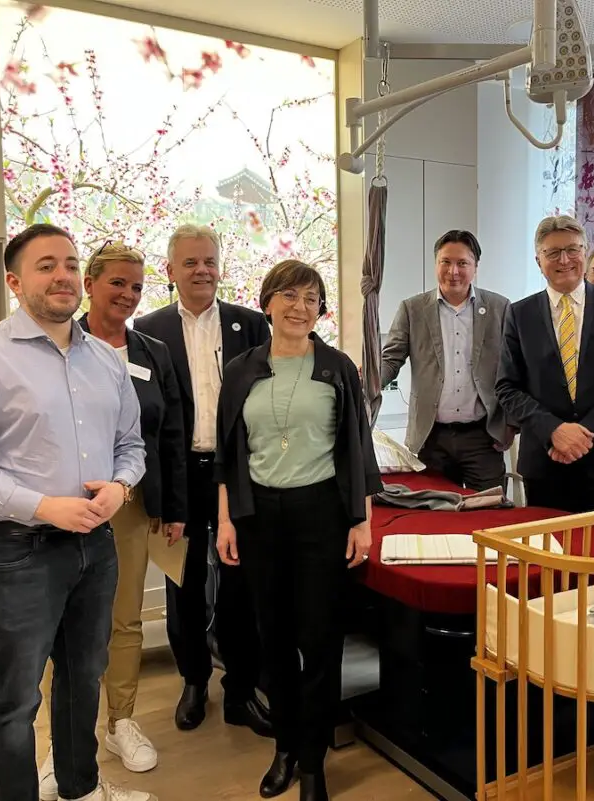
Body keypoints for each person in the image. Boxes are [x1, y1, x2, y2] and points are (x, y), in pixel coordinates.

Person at [0, 223, 152, 801]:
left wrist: (120, 488)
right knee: (15, 701)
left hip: (93, 548)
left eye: (72, 265)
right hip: (10, 554)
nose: (63, 276)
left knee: (82, 681)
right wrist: (44, 506)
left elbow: (131, 445)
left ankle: (81, 789)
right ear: (14, 281)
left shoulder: (104, 360)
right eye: (47, 265)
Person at [215, 260, 381, 801]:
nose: (299, 306)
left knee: (321, 639)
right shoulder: (240, 370)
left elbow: (359, 448)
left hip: (322, 516)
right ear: (267, 303)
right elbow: (228, 453)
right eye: (288, 295)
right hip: (260, 517)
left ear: (320, 309)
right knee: (276, 640)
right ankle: (285, 747)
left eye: (311, 298)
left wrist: (362, 520)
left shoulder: (336, 366)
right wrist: (226, 521)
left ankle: (313, 763)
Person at [33, 242, 188, 799]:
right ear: (91, 285)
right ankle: (64, 741)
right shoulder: (54, 345)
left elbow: (169, 431)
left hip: (129, 505)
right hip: (61, 507)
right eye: (116, 283)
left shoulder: (152, 351)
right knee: (65, 630)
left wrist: (173, 508)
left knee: (123, 622)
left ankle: (120, 720)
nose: (126, 294)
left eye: (137, 286)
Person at [135, 224, 272, 735]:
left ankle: (240, 689)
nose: (202, 271)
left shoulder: (252, 325)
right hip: (180, 475)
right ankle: (193, 680)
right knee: (183, 584)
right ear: (170, 272)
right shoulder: (146, 332)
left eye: (210, 261)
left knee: (242, 584)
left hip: (240, 474)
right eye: (190, 263)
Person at [496, 215, 594, 513]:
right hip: (546, 462)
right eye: (552, 253)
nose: (564, 259)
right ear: (539, 260)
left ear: (584, 252)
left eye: (572, 249)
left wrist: (584, 433)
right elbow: (506, 387)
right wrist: (554, 430)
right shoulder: (519, 313)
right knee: (551, 556)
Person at [379, 229, 513, 490]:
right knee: (435, 515)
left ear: (475, 267)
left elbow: (515, 369)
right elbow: (391, 359)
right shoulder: (413, 309)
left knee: (489, 515)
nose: (453, 271)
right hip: (432, 436)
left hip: (482, 437)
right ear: (436, 263)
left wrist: (511, 424)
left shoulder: (500, 308)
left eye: (462, 263)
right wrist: (368, 380)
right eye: (446, 262)